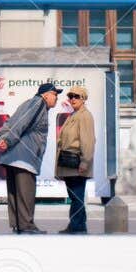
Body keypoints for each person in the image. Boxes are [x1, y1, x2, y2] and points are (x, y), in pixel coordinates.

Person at [0, 82, 60, 234]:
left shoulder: (32, 104)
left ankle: (18, 225)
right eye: (55, 95)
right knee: (26, 194)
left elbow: (11, 122)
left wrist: (1, 138)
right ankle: (27, 226)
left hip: (13, 157)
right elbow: (20, 123)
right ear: (46, 94)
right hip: (24, 158)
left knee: (15, 193)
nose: (56, 98)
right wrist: (7, 140)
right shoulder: (38, 103)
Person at [54, 85, 95, 234]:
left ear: (83, 98)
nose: (72, 99)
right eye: (70, 96)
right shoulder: (74, 114)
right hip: (68, 163)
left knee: (77, 196)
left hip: (77, 163)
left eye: (76, 96)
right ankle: (78, 225)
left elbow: (88, 141)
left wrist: (85, 162)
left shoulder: (84, 116)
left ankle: (77, 226)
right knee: (75, 196)